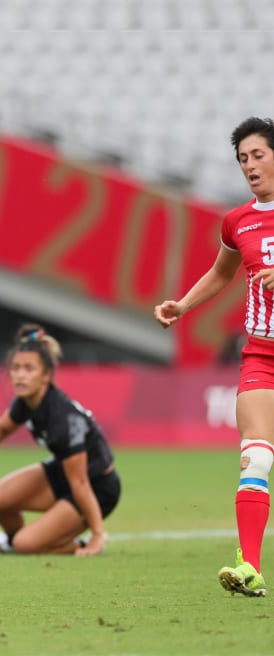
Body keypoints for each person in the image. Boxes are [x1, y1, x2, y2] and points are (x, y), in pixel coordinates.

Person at [154, 116, 274, 597]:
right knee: (256, 456)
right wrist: (182, 305)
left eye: (258, 154)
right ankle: (251, 568)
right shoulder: (238, 220)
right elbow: (222, 273)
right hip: (262, 356)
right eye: (242, 158)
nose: (249, 165)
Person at [0, 323, 120, 556]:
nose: (20, 375)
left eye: (29, 368)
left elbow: (81, 483)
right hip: (65, 474)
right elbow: (2, 429)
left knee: (26, 545)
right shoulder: (26, 402)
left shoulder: (62, 419)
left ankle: (77, 544)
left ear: (46, 376)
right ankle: (14, 540)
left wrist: (97, 535)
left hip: (97, 488)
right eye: (16, 368)